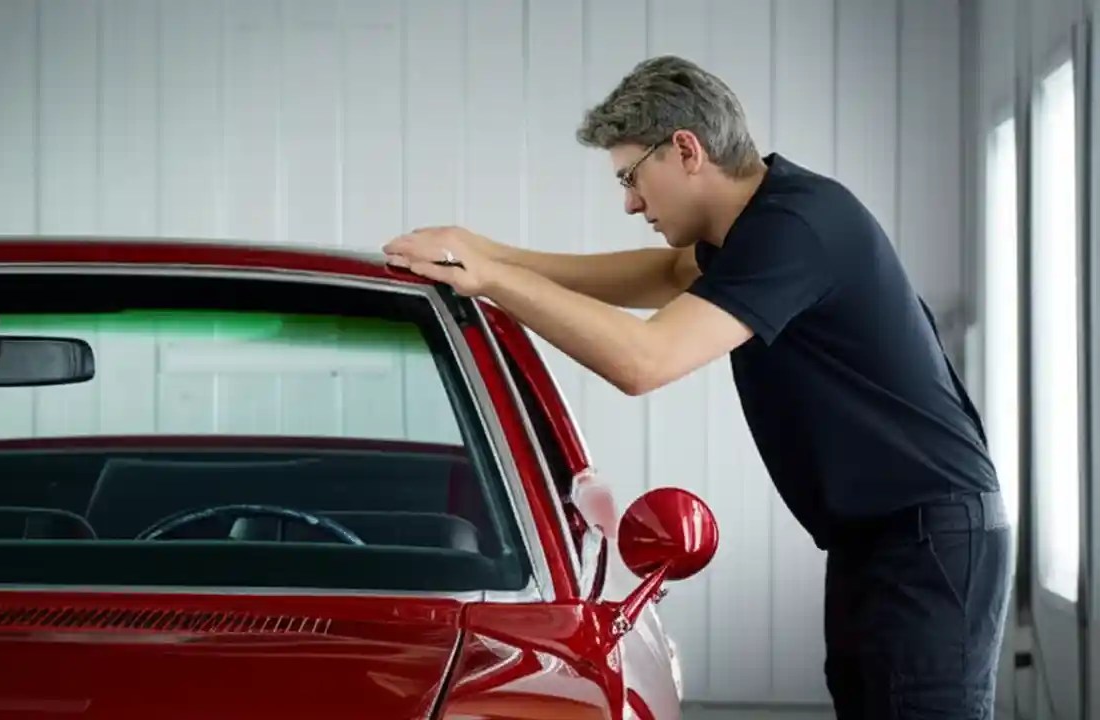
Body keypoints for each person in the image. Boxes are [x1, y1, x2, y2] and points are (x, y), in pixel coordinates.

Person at [383, 55, 1013, 718]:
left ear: (686, 149)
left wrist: (492, 280)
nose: (630, 202)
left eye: (631, 177)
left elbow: (644, 360)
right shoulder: (760, 221)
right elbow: (666, 274)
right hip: (883, 538)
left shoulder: (795, 229)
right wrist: (489, 252)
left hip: (930, 541)